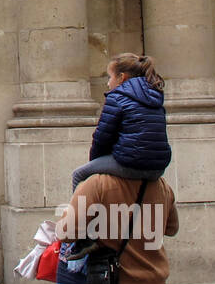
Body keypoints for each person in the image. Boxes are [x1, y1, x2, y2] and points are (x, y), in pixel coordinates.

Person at [72, 53, 171, 191]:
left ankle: (82, 213)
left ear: (121, 78)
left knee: (78, 175)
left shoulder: (117, 97)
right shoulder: (155, 95)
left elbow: (102, 138)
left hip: (130, 164)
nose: (108, 83)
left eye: (109, 77)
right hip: (158, 167)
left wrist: (95, 163)